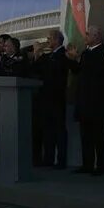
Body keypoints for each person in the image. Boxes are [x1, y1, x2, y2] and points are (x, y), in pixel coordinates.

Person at [67, 25, 104, 175]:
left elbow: (102, 75)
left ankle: (101, 166)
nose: (85, 36)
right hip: (83, 101)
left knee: (98, 136)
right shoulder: (85, 53)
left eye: (87, 34)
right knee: (85, 136)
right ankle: (87, 164)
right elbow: (78, 71)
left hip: (97, 102)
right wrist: (73, 60)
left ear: (96, 36)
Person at [33, 30, 70, 168]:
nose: (47, 41)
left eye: (49, 38)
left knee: (59, 130)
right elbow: (35, 69)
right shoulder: (48, 56)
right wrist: (37, 55)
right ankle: (48, 159)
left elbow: (58, 70)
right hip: (45, 99)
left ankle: (61, 161)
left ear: (56, 40)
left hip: (57, 99)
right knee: (48, 130)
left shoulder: (63, 55)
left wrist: (41, 55)